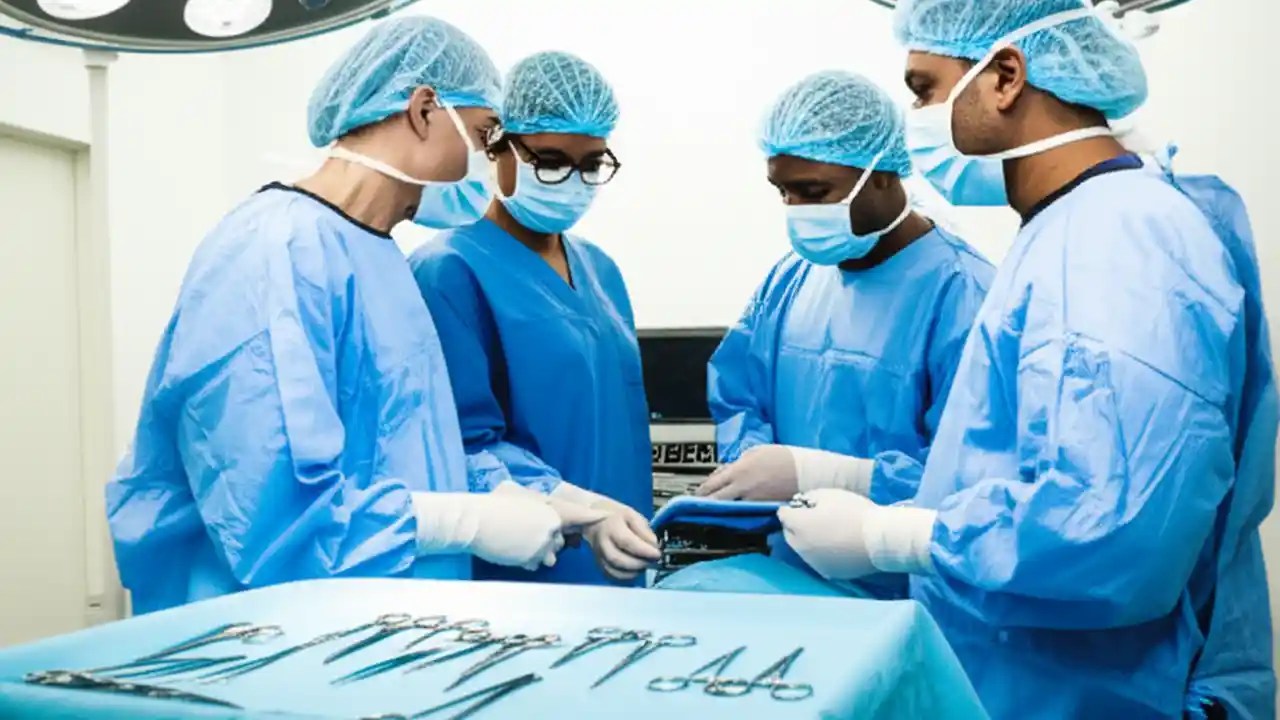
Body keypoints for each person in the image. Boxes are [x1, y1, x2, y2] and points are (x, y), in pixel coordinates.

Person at [777, 2, 1276, 718]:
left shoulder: (1117, 241)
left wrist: (891, 536)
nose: (915, 116)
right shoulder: (1075, 226)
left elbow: (1113, 525)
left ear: (1006, 76)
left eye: (924, 88)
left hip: (1096, 695)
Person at [106, 18, 602, 614]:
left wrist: (520, 492)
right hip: (268, 642)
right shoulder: (274, 251)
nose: (493, 161)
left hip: (387, 623)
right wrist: (468, 520)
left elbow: (413, 447)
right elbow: (272, 518)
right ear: (423, 111)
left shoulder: (377, 254)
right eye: (484, 133)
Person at [690, 71, 993, 598]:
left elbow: (973, 476)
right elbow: (740, 391)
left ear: (882, 174)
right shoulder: (793, 276)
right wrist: (757, 465)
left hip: (909, 593)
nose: (796, 210)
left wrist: (829, 476)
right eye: (782, 191)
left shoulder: (962, 293)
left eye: (813, 192)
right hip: (789, 577)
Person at [409, 51, 659, 587]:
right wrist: (568, 506)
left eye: (591, 164)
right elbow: (461, 446)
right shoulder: (447, 271)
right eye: (548, 160)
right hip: (524, 569)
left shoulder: (602, 271)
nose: (572, 179)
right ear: (495, 146)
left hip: (621, 557)